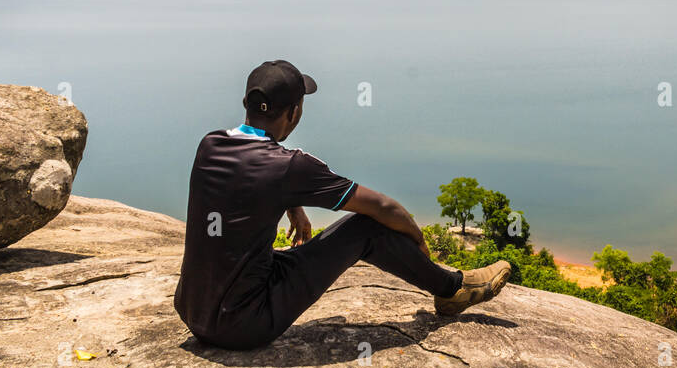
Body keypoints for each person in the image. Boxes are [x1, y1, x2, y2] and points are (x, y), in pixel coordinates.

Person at [173, 59, 511, 349]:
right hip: (245, 325)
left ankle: (449, 287)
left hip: (193, 311)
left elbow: (249, 181)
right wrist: (420, 243)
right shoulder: (291, 166)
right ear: (294, 113)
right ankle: (451, 288)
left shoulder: (210, 145)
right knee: (366, 228)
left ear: (246, 101)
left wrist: (294, 206)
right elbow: (383, 207)